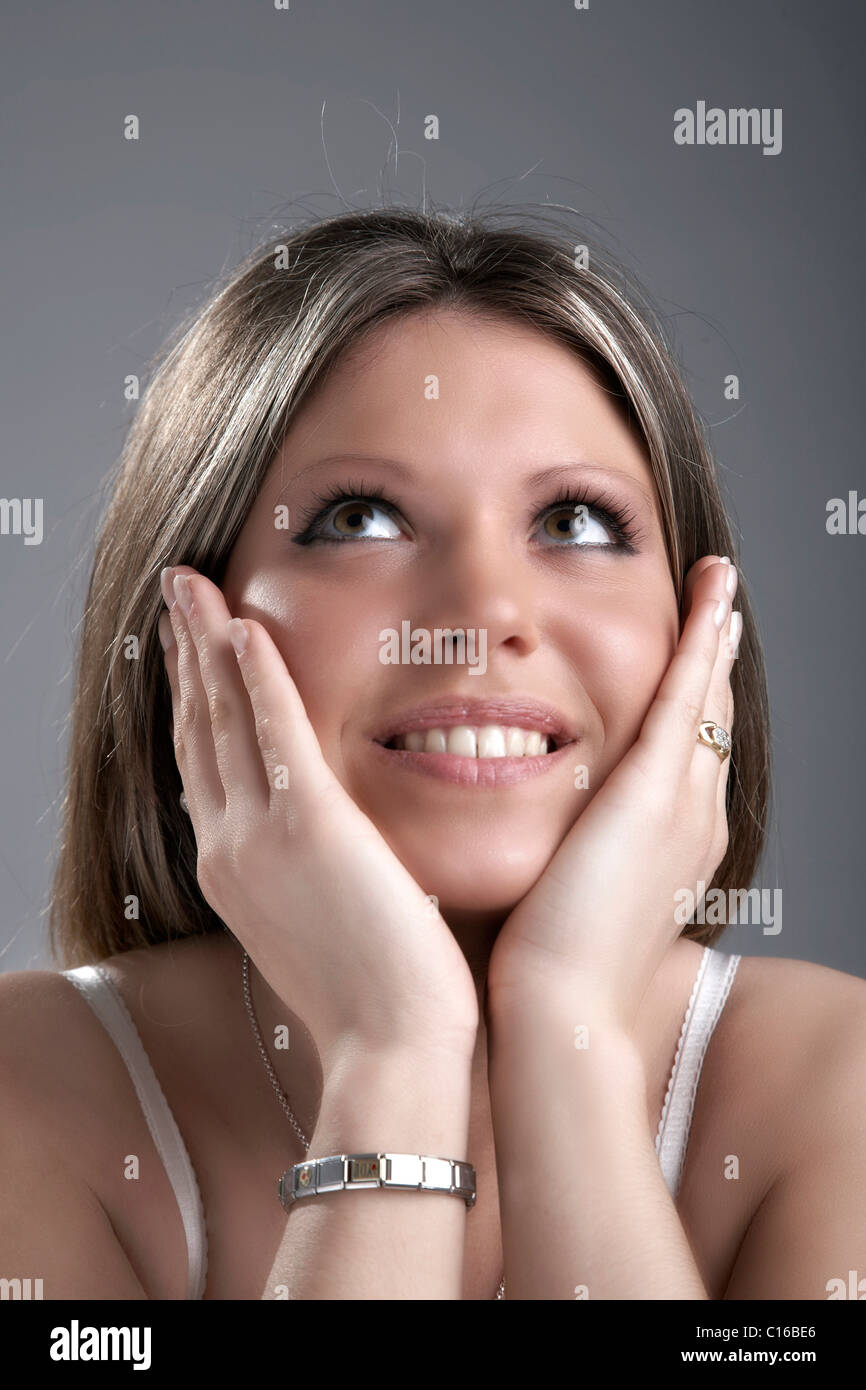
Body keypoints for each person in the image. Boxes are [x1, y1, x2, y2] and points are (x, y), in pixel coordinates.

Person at [2, 205, 864, 1301]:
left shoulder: (838, 1084)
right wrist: (391, 1051)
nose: (480, 612)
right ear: (191, 633)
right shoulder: (24, 1092)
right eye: (360, 518)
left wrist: (566, 1032)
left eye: (573, 524)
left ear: (698, 628)